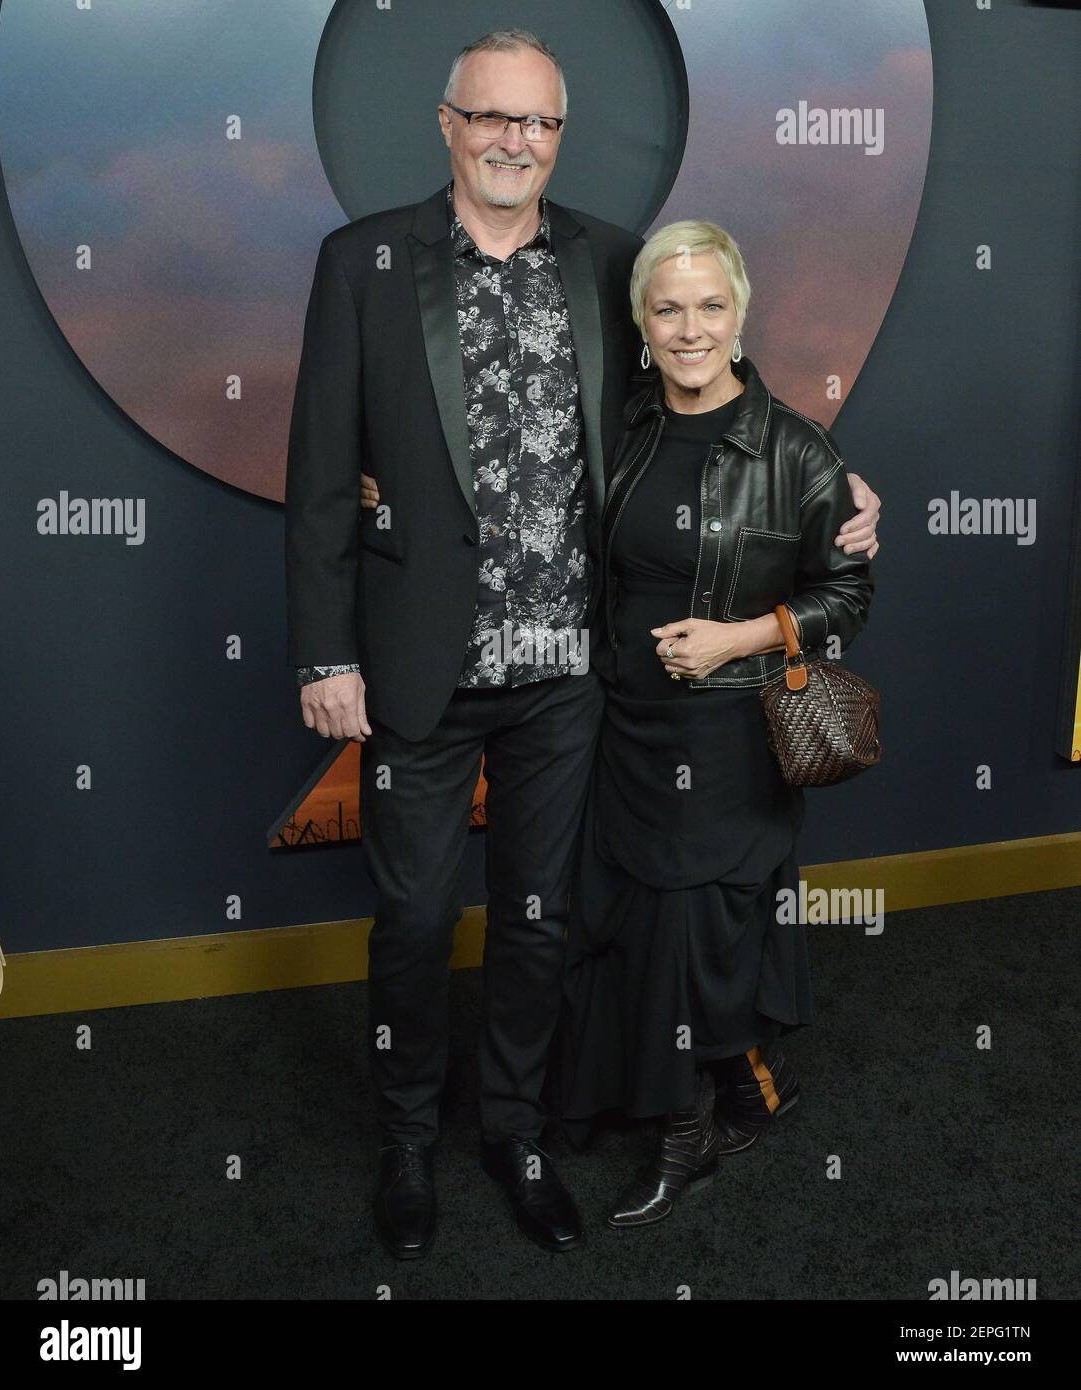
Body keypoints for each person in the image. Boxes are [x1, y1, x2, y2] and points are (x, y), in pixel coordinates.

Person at [290, 29, 881, 1260]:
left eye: (539, 124)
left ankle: (514, 1130)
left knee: (541, 920)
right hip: (415, 667)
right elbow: (314, 486)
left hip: (569, 673)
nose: (515, 142)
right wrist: (322, 656)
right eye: (492, 118)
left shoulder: (605, 260)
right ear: (447, 125)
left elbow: (696, 367)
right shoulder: (362, 262)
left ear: (559, 136)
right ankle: (405, 1138)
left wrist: (818, 476)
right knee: (409, 922)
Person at [556, 219, 875, 1229]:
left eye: (708, 305)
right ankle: (742, 1086)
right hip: (625, 721)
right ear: (641, 324)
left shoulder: (794, 449)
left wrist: (738, 639)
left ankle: (684, 1129)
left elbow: (847, 595)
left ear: (737, 317)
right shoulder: (628, 426)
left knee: (696, 919)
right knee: (638, 914)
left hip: (730, 735)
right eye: (666, 308)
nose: (688, 327)